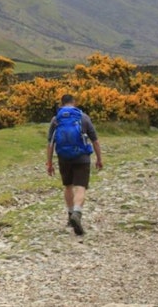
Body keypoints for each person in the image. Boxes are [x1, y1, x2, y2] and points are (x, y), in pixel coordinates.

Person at [45, 94, 103, 236]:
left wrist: (49, 163)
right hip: (82, 157)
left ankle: (70, 215)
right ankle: (77, 212)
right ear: (74, 103)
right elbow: (95, 140)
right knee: (81, 187)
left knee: (68, 186)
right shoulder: (83, 117)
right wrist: (99, 159)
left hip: (63, 157)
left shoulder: (56, 119)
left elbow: (50, 143)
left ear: (61, 103)